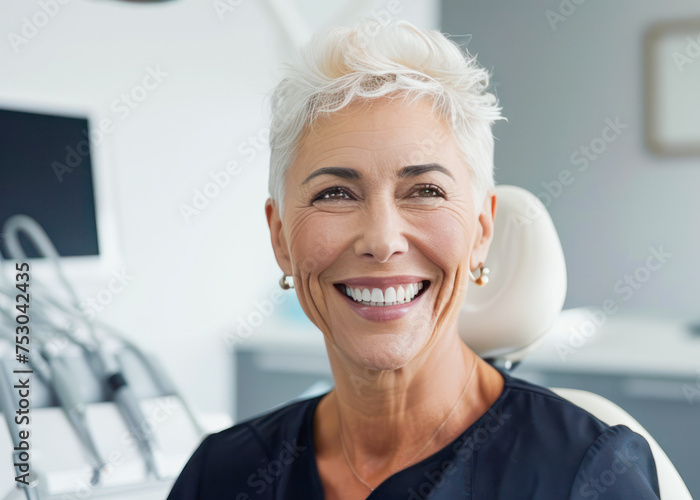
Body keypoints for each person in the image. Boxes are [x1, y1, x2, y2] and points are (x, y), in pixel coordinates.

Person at [167, 17, 660, 500]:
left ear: (481, 231)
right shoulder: (223, 474)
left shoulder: (584, 474)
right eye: (336, 194)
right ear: (279, 239)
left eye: (424, 190)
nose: (382, 241)